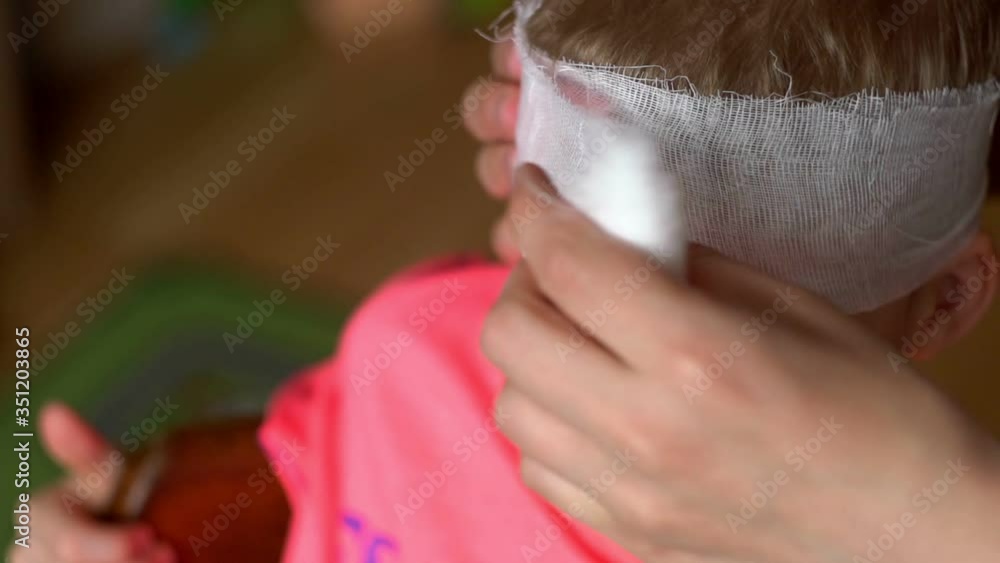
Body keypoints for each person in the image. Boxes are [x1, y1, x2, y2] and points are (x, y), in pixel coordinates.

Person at [13, 0, 1000, 562]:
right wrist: (161, 506)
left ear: (945, 298)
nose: (655, 376)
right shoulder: (416, 336)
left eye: (754, 325)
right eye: (596, 269)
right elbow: (326, 470)